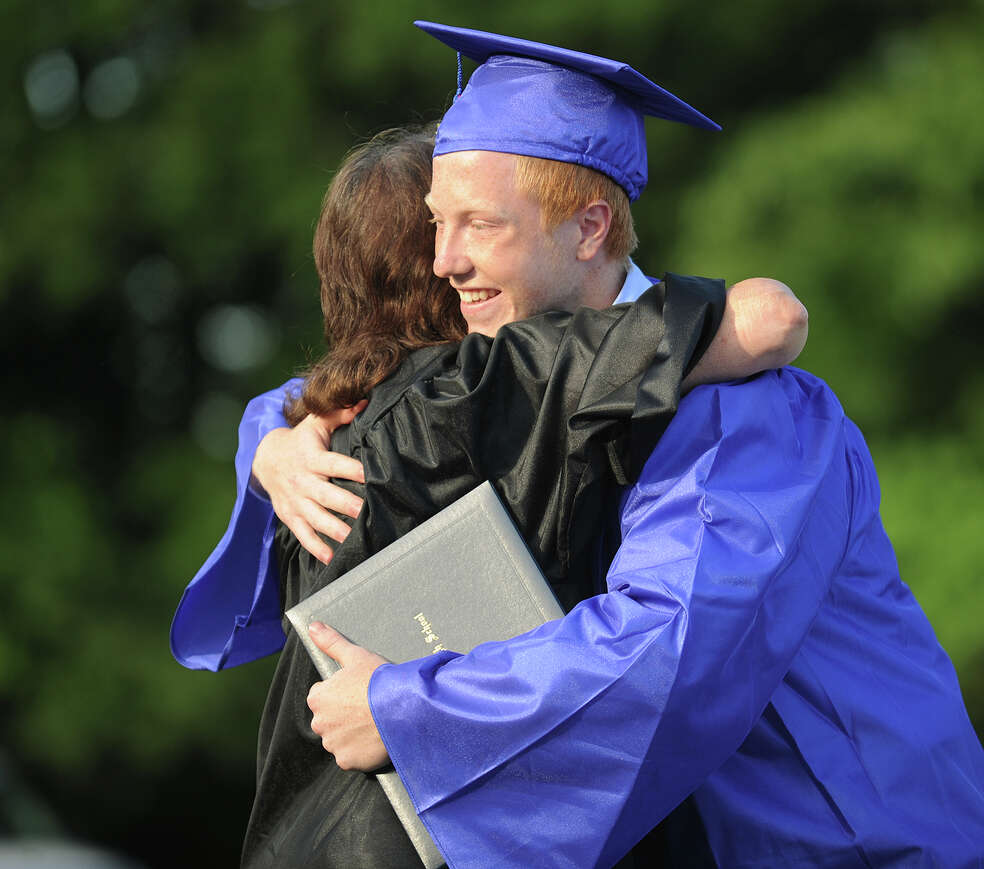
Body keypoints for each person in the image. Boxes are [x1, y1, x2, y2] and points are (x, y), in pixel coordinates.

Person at [173, 22, 984, 868]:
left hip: (871, 847)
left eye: (479, 226)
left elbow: (662, 655)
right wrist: (276, 435)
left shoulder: (740, 416)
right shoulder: (545, 394)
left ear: (587, 230)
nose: (443, 263)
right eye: (436, 223)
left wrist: (401, 708)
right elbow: (407, 398)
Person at [176, 124, 802, 868]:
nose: (457, 253)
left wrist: (265, 440)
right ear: (435, 262)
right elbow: (769, 321)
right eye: (445, 224)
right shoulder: (488, 388)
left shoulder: (313, 439)